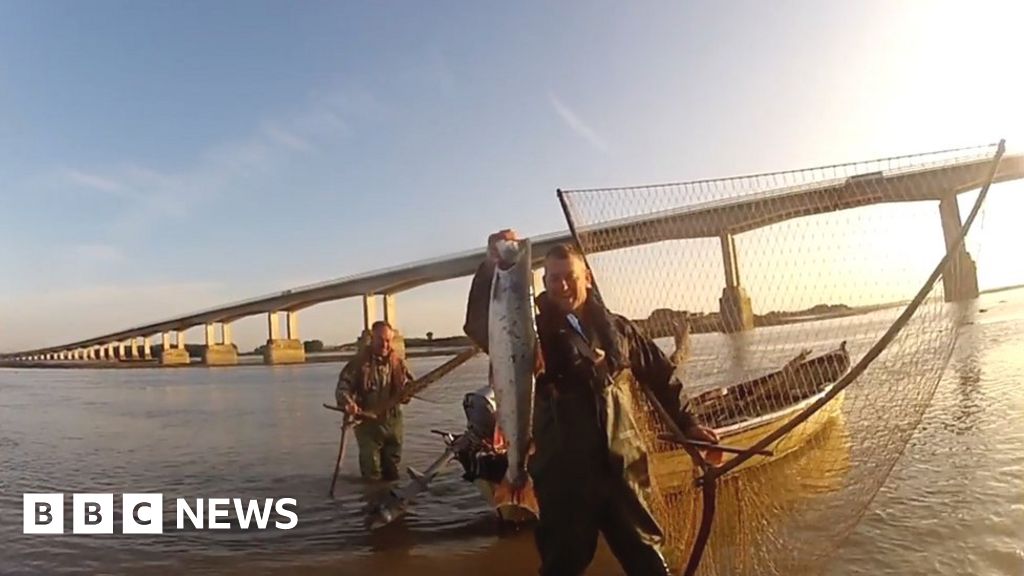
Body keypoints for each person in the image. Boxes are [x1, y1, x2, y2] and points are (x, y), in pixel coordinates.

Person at [463, 229, 720, 576]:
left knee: (650, 562)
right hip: (563, 478)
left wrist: (688, 423)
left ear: (587, 276)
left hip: (624, 473)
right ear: (544, 281)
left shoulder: (620, 329)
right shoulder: (530, 331)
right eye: (554, 279)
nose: (562, 285)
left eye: (569, 276)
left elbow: (662, 375)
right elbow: (481, 326)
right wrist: (489, 269)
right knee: (562, 566)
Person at [335, 321, 414, 481]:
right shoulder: (358, 364)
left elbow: (408, 388)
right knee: (371, 472)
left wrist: (407, 392)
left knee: (393, 471)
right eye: (380, 340)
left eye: (388, 340)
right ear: (372, 338)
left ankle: (393, 502)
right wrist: (348, 403)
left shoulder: (398, 363)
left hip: (393, 422)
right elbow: (343, 387)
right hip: (367, 423)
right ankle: (372, 501)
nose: (385, 345)